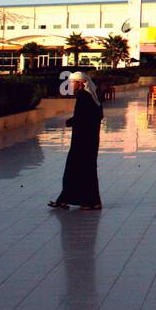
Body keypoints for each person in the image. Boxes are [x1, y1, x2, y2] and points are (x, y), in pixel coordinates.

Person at [48, 71, 105, 210]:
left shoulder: (84, 97)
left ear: (81, 83)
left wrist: (71, 122)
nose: (72, 86)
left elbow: (83, 117)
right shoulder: (92, 97)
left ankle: (87, 202)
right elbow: (95, 115)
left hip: (83, 140)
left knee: (78, 170)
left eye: (73, 83)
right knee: (84, 169)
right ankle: (86, 201)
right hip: (89, 139)